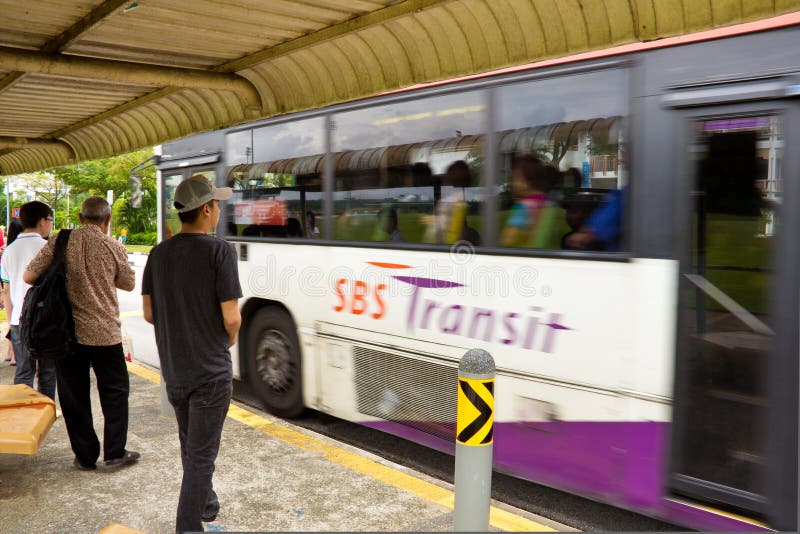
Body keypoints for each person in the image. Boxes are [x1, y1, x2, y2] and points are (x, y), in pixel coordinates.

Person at [142, 175, 242, 533]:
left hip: (176, 370)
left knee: (192, 445)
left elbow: (149, 313)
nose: (218, 211)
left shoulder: (158, 253)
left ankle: (207, 503)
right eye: (216, 205)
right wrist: (225, 340)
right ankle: (188, 527)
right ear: (205, 210)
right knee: (201, 454)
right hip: (211, 372)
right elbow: (232, 317)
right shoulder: (220, 251)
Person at [24, 196, 138, 471]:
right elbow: (129, 283)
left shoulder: (60, 241)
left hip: (67, 334)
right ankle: (114, 453)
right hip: (105, 334)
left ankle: (85, 457)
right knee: (115, 392)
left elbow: (29, 276)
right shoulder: (113, 246)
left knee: (74, 395)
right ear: (107, 220)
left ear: (79, 216)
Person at [1, 202, 56, 398]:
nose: (50, 224)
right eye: (50, 220)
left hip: (19, 320)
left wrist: (11, 320)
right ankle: (47, 412)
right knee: (48, 373)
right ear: (42, 221)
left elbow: (6, 290)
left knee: (24, 373)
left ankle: (23, 416)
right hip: (47, 321)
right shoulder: (49, 248)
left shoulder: (9, 250)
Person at [500, 155, 559, 249]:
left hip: (525, 257)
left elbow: (508, 239)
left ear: (526, 182)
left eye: (514, 178)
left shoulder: (524, 206)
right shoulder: (551, 203)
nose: (512, 183)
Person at [3, 219, 22, 364]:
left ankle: (12, 352)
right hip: (25, 297)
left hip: (11, 295)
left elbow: (6, 287)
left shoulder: (8, 252)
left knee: (12, 323)